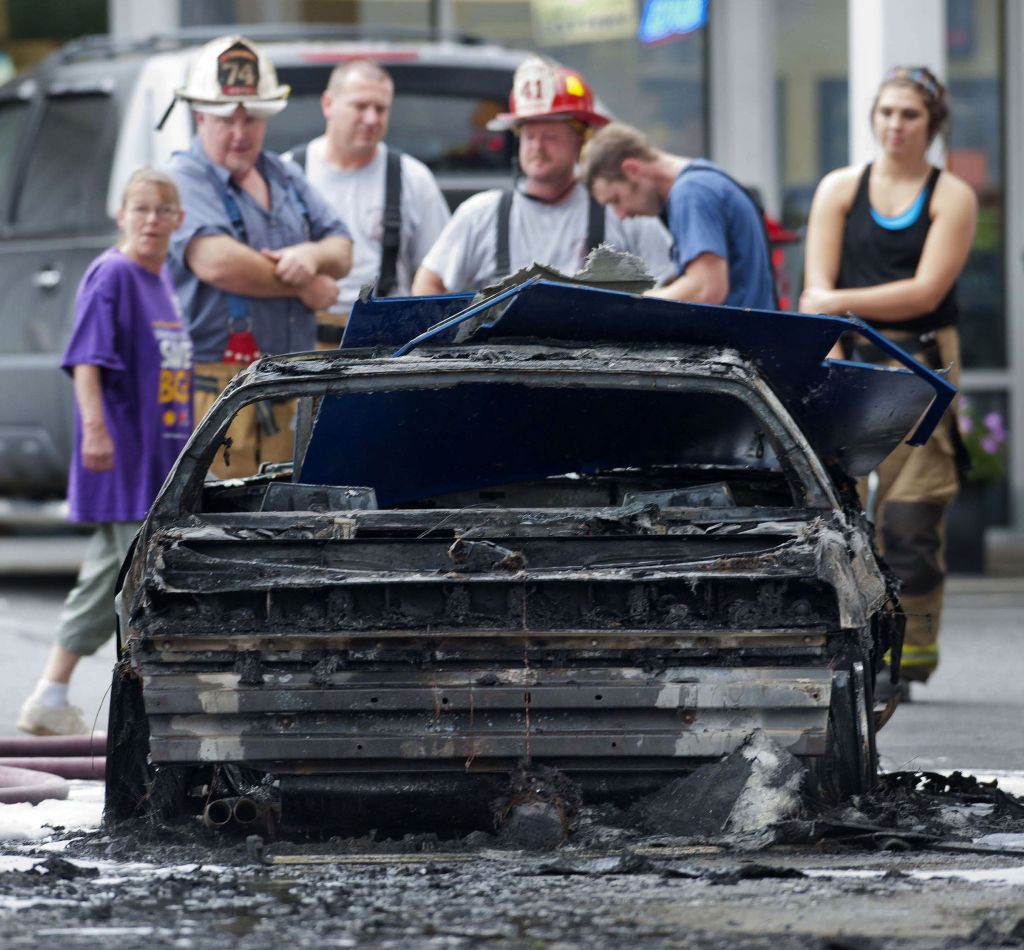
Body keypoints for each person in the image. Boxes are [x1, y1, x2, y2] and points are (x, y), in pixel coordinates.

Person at [799, 66, 978, 694]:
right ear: (871, 118)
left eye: (910, 115)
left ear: (932, 125)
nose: (896, 126)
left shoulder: (950, 194)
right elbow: (809, 296)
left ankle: (907, 658)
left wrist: (837, 301)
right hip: (847, 360)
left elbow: (925, 291)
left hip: (919, 362)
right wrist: (833, 312)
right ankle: (847, 646)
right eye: (887, 113)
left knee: (910, 519)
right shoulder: (840, 189)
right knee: (837, 512)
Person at [17, 169, 193, 736]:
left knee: (107, 580)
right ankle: (147, 709)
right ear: (121, 214)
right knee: (139, 584)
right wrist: (94, 430)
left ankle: (51, 695)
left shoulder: (160, 280)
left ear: (178, 221)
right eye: (139, 209)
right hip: (123, 457)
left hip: (157, 460)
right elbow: (87, 360)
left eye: (162, 210)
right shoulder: (113, 274)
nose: (150, 220)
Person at [166, 35, 353, 477]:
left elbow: (342, 248)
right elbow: (216, 261)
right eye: (226, 120)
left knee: (286, 516)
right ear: (199, 117)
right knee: (219, 525)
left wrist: (310, 253)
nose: (240, 132)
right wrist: (307, 284)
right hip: (217, 395)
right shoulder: (185, 176)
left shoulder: (282, 173)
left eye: (251, 118)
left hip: (290, 383)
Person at [411, 57, 674, 295]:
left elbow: (672, 287)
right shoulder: (481, 215)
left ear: (579, 141)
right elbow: (429, 283)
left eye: (550, 136)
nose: (537, 147)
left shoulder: (621, 210)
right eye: (529, 136)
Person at [287, 60, 451, 347]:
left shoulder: (412, 178)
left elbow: (439, 277)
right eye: (360, 106)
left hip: (384, 351)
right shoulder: (287, 173)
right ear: (328, 104)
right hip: (297, 349)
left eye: (381, 108)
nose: (372, 118)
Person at [579, 121, 775, 309]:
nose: (621, 215)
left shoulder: (691, 193)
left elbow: (706, 288)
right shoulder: (706, 180)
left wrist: (625, 304)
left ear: (632, 170)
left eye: (616, 199)